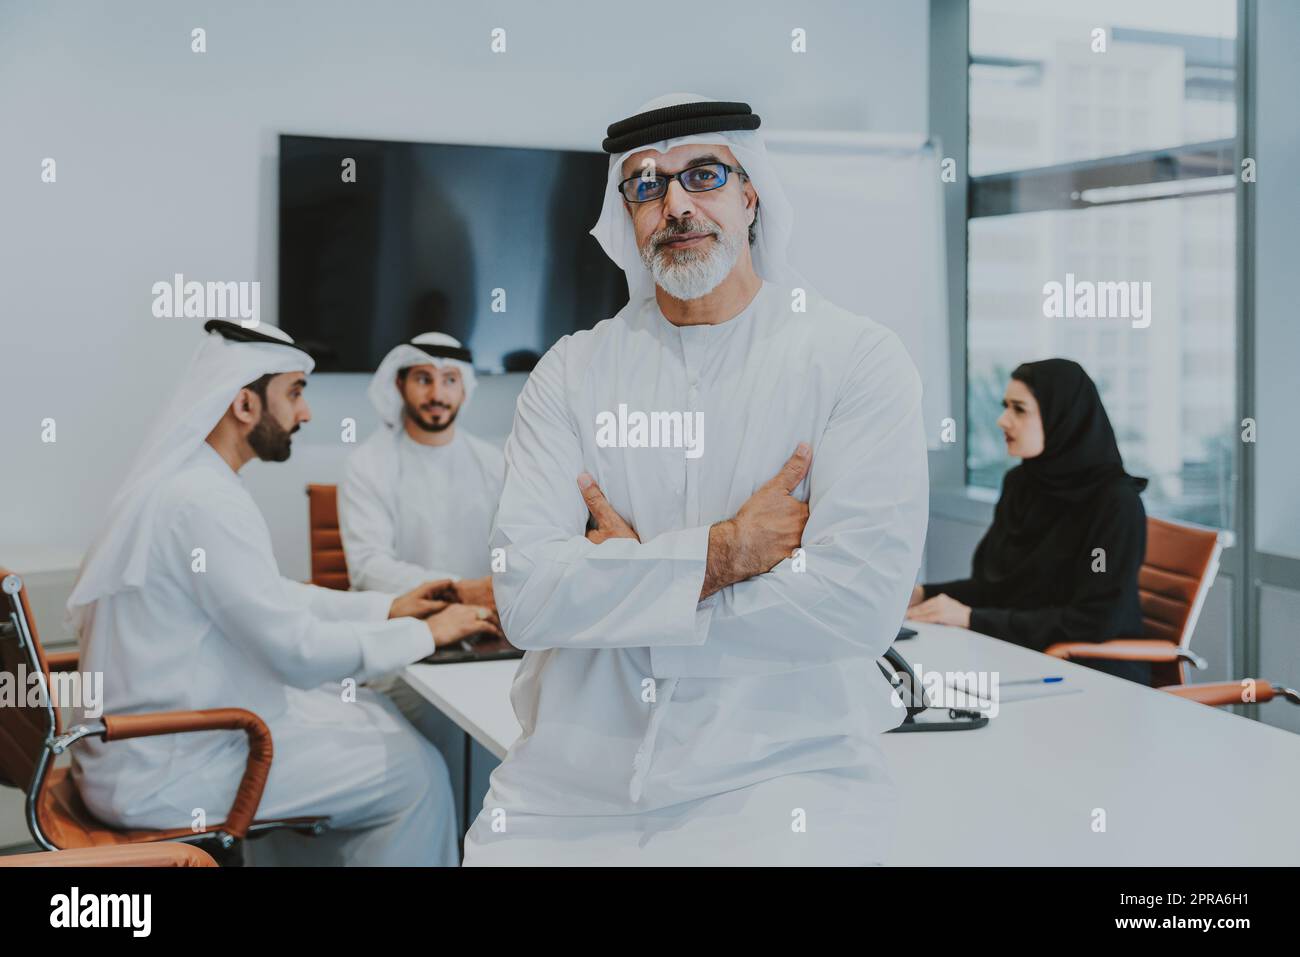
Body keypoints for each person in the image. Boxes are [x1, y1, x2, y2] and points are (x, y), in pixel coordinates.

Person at [462, 94, 928, 866]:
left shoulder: (854, 359)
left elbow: (858, 603)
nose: (675, 203)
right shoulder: (571, 371)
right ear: (628, 214)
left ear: (750, 194)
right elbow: (526, 596)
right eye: (645, 184)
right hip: (567, 787)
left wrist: (626, 583)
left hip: (784, 776)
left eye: (702, 175)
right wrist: (728, 551)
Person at [66, 320, 501, 866]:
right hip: (167, 766)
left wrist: (388, 608)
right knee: (416, 772)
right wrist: (423, 632)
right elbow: (296, 654)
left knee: (376, 715)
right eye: (295, 393)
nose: (306, 413)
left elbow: (272, 596)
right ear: (245, 404)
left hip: (150, 745)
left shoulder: (193, 483)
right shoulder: (204, 501)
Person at [907, 358, 1150, 684]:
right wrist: (923, 593)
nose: (1002, 421)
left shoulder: (1115, 503)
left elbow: (1093, 621)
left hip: (1091, 671)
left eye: (1019, 410)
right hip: (1018, 652)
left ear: (1062, 417)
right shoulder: (1021, 484)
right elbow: (996, 588)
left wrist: (971, 618)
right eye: (1005, 407)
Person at [339, 332, 503, 609]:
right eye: (423, 379)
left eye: (450, 380)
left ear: (464, 390)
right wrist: (459, 591)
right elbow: (368, 568)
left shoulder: (494, 463)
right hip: (399, 620)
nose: (436, 395)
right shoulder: (366, 464)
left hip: (484, 618)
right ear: (400, 385)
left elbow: (515, 550)